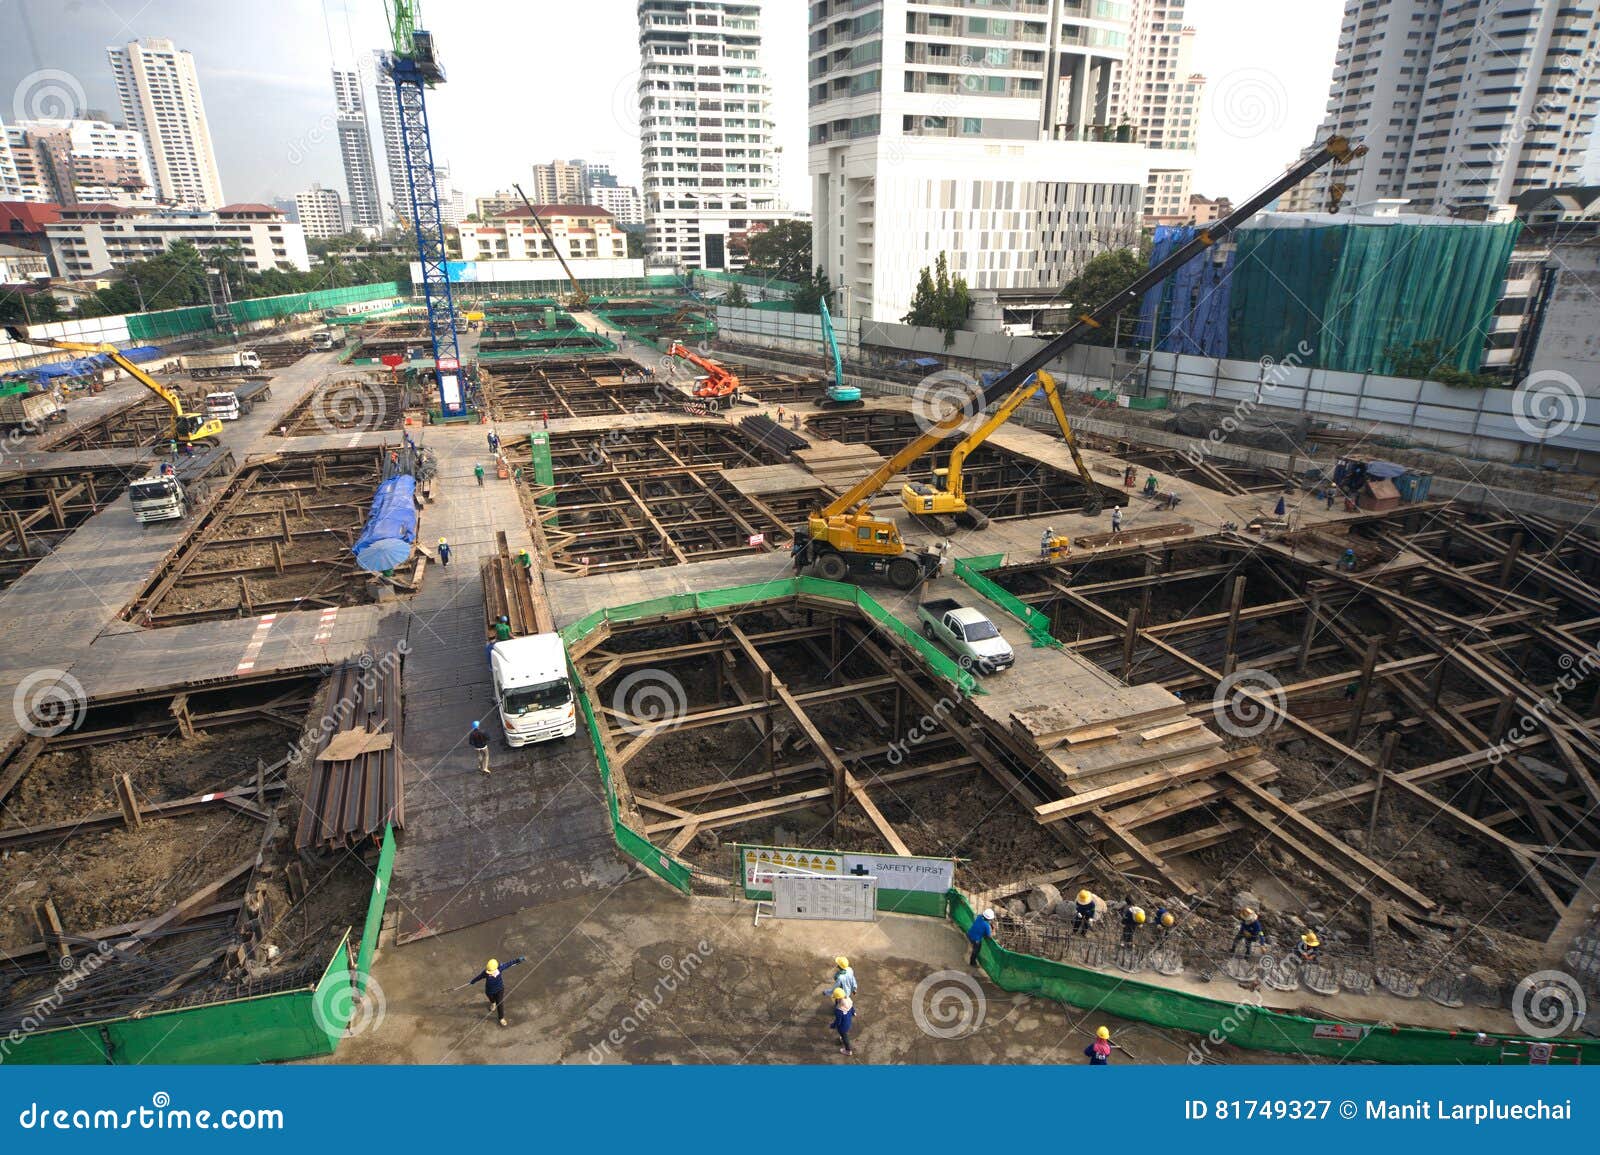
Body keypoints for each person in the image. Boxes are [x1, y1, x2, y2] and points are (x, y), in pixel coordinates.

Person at [469, 956, 526, 1027]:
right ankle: (493, 1003)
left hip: (499, 989)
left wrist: (518, 960)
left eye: (491, 971)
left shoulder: (500, 968)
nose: (490, 973)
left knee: (500, 1003)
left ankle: (501, 1018)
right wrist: (472, 981)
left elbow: (509, 964)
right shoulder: (486, 972)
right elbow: (479, 977)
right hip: (489, 990)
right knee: (491, 998)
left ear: (496, 968)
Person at [831, 988, 855, 1056]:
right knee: (844, 1035)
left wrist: (833, 1025)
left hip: (842, 1027)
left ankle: (848, 1050)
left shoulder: (839, 1010)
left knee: (845, 1037)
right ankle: (842, 1038)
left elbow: (838, 1021)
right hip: (848, 1021)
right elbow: (852, 1009)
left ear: (838, 998)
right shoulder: (849, 1000)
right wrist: (853, 1012)